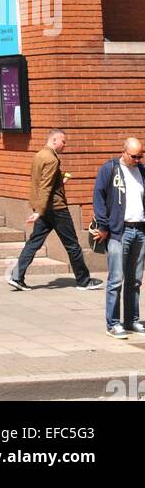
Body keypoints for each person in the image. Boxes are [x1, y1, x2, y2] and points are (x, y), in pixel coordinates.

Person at [9, 128, 103, 292]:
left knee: (33, 242)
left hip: (45, 208)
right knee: (72, 245)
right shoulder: (52, 159)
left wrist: (59, 183)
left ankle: (16, 276)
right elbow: (45, 186)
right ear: (54, 140)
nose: (64, 145)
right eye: (63, 141)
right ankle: (83, 281)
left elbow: (41, 182)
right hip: (56, 209)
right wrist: (39, 211)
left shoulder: (39, 155)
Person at [92, 137, 145, 338]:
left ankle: (132, 320)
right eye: (134, 156)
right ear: (123, 152)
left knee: (135, 280)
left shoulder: (141, 170)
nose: (138, 160)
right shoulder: (110, 169)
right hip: (118, 231)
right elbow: (98, 197)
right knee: (116, 280)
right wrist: (103, 225)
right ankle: (113, 324)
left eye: (141, 156)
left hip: (139, 230)